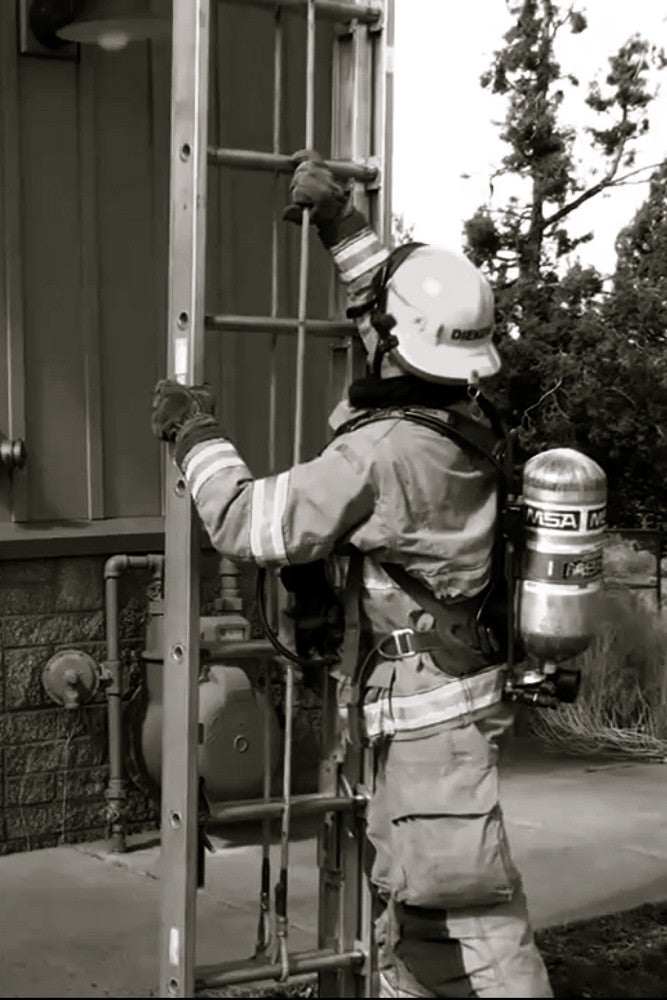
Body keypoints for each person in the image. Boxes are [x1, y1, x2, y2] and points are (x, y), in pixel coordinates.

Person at [150, 153, 553, 998]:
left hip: (425, 729)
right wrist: (342, 224)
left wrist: (196, 436)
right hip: (438, 710)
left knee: (470, 924)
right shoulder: (465, 412)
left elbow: (247, 520)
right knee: (415, 923)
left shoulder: (382, 453)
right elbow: (392, 316)